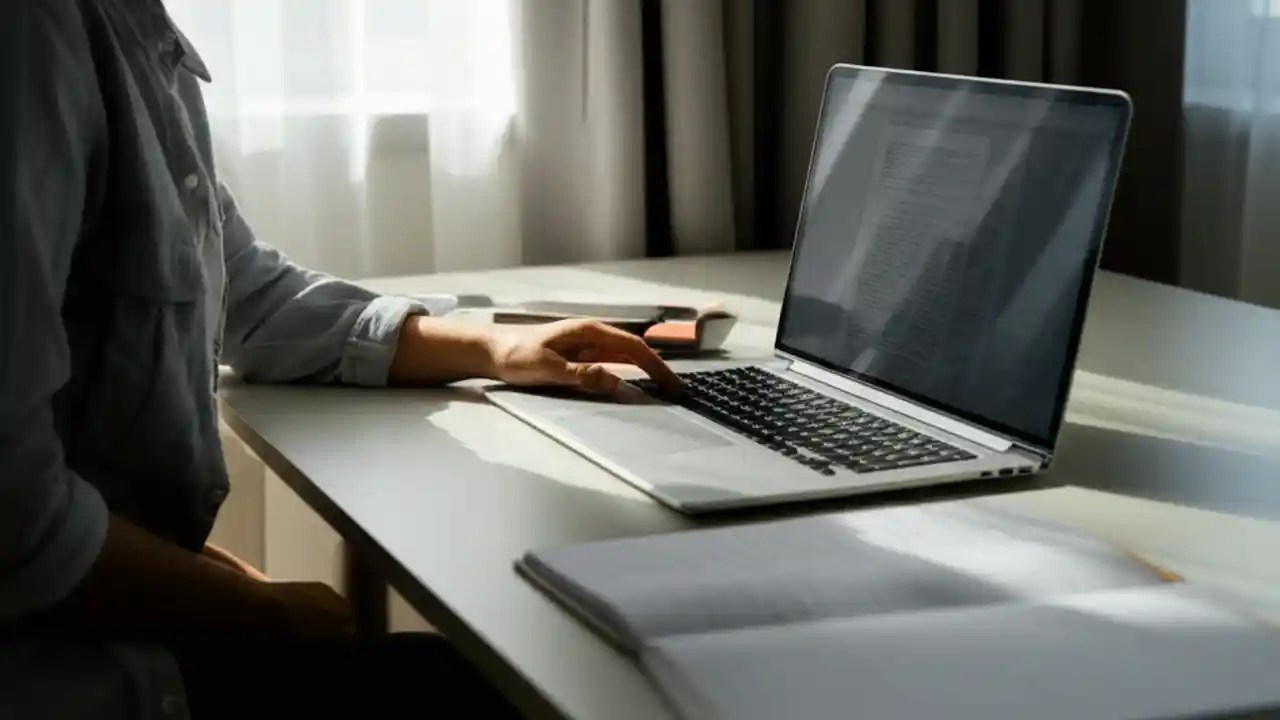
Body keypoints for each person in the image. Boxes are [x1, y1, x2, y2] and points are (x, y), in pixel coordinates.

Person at [0, 1, 681, 718]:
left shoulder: (131, 36)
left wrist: (493, 347)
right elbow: (18, 517)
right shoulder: (33, 39)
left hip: (105, 623)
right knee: (543, 685)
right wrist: (256, 609)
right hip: (66, 673)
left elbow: (244, 287)